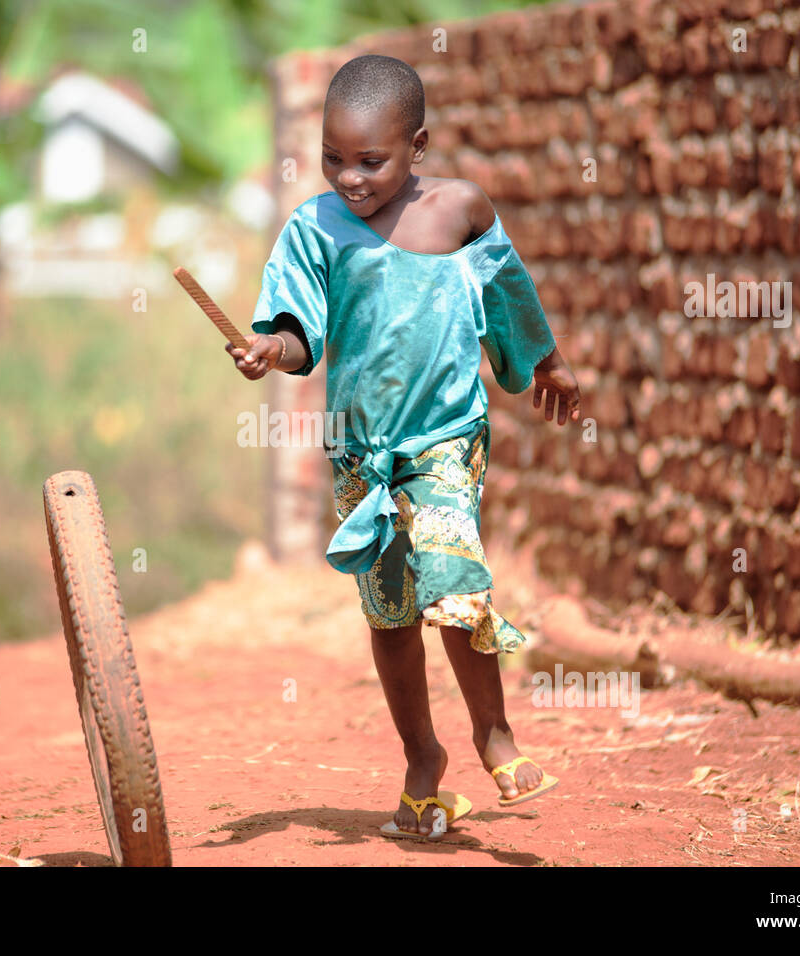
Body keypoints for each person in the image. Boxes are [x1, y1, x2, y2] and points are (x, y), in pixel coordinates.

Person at [228, 55, 581, 841]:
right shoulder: (315, 229)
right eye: (333, 158)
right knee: (388, 610)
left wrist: (547, 361)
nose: (349, 178)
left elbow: (508, 290)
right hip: (360, 449)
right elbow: (292, 329)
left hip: (447, 437)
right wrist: (267, 350)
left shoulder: (462, 211)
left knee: (454, 576)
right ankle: (423, 757)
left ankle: (495, 736)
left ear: (416, 145)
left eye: (370, 161)